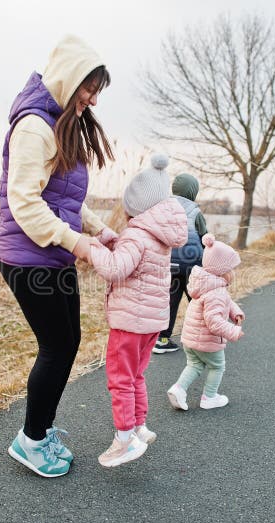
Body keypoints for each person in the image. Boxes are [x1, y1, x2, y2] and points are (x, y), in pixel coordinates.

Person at [0, 35, 119, 478]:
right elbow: (25, 202)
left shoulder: (60, 121)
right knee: (56, 346)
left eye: (98, 90)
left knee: (67, 343)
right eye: (90, 87)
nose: (93, 98)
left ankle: (39, 430)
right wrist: (78, 243)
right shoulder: (34, 125)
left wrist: (99, 230)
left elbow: (64, 196)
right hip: (27, 257)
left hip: (51, 253)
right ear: (68, 79)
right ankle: (30, 441)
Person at [88, 154, 187, 467]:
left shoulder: (135, 235)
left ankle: (125, 438)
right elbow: (135, 260)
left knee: (120, 379)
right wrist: (109, 240)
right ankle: (140, 427)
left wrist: (90, 247)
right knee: (137, 376)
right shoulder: (159, 237)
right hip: (152, 321)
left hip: (129, 322)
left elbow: (117, 268)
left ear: (137, 207)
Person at [166, 234, 244, 411]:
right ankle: (209, 397)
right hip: (206, 341)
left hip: (191, 338)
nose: (234, 273)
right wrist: (233, 331)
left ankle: (178, 389)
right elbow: (214, 321)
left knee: (194, 364)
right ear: (221, 271)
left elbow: (225, 302)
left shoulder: (207, 284)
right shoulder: (216, 292)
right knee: (218, 366)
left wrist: (235, 312)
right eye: (232, 269)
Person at [153, 173, 208, 354]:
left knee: (170, 301)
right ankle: (204, 338)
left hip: (170, 264)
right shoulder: (195, 212)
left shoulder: (165, 208)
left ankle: (162, 340)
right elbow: (204, 237)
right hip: (192, 266)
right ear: (193, 192)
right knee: (197, 300)